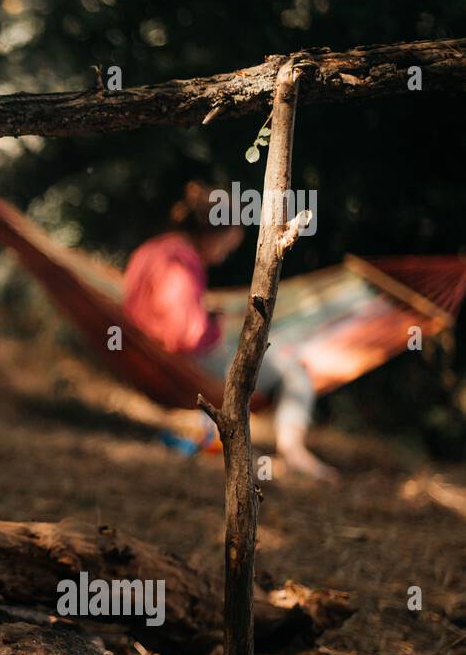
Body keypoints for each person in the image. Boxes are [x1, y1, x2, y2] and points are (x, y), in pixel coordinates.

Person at [123, 182, 336, 480]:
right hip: (184, 360)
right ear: (214, 234)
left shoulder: (152, 249)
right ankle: (293, 451)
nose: (224, 256)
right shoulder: (183, 260)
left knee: (269, 351)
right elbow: (188, 334)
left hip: (150, 352)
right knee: (295, 370)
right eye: (227, 245)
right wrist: (216, 326)